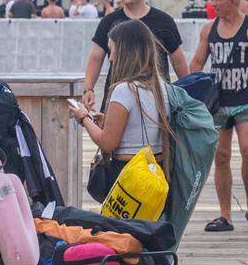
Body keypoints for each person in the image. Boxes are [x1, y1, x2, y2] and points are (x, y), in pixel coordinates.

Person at [69, 19, 174, 219]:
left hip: (129, 176)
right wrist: (106, 121)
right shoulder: (161, 86)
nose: (111, 58)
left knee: (124, 241)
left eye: (113, 51)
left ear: (125, 52)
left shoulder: (125, 90)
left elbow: (108, 143)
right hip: (156, 173)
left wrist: (84, 118)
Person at [192, 0, 248, 232]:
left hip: (245, 100)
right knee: (221, 156)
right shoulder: (209, 29)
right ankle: (225, 214)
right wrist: (191, 93)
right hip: (219, 101)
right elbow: (197, 62)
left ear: (232, 2)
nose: (213, 3)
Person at [81, 0, 186, 112]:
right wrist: (88, 89)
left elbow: (178, 60)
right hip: (116, 95)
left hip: (155, 96)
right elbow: (95, 58)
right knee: (112, 134)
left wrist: (188, 90)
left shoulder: (164, 21)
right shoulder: (110, 21)